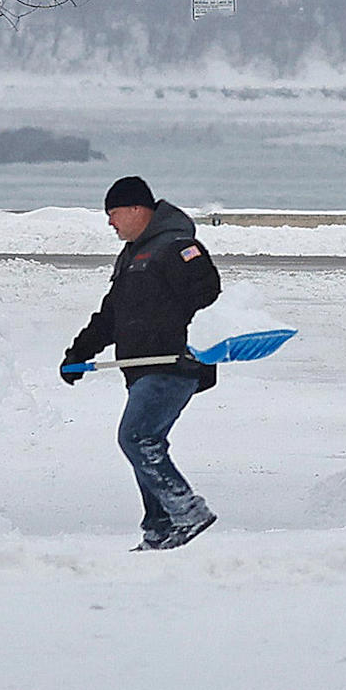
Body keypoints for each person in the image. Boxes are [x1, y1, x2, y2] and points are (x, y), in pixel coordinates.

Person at [61, 174, 225, 550]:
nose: (110, 222)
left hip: (169, 366)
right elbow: (111, 316)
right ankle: (160, 528)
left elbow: (206, 288)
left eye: (113, 213)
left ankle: (187, 512)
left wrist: (173, 308)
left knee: (137, 438)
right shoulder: (132, 256)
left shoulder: (173, 245)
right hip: (140, 369)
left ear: (137, 209)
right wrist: (79, 353)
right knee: (144, 444)